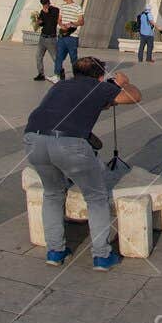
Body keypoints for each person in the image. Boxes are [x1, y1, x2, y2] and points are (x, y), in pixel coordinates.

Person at [24, 57, 141, 270]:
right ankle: (101, 256)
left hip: (33, 139)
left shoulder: (60, 85)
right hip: (69, 144)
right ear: (100, 75)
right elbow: (134, 97)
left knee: (52, 193)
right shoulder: (99, 87)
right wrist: (124, 83)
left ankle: (55, 251)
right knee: (96, 197)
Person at [53, 0, 83, 80]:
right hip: (62, 35)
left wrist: (72, 24)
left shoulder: (77, 7)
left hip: (72, 37)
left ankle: (77, 76)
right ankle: (57, 75)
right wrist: (61, 25)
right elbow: (59, 19)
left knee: (73, 58)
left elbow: (81, 21)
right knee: (58, 56)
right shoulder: (63, 6)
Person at [34, 0, 59, 81]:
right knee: (38, 56)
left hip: (51, 38)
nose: (44, 6)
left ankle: (60, 73)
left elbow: (52, 20)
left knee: (55, 57)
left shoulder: (55, 10)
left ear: (49, 3)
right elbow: (42, 23)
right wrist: (39, 21)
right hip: (43, 37)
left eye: (45, 4)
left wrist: (46, 12)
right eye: (43, 4)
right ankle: (41, 74)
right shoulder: (42, 11)